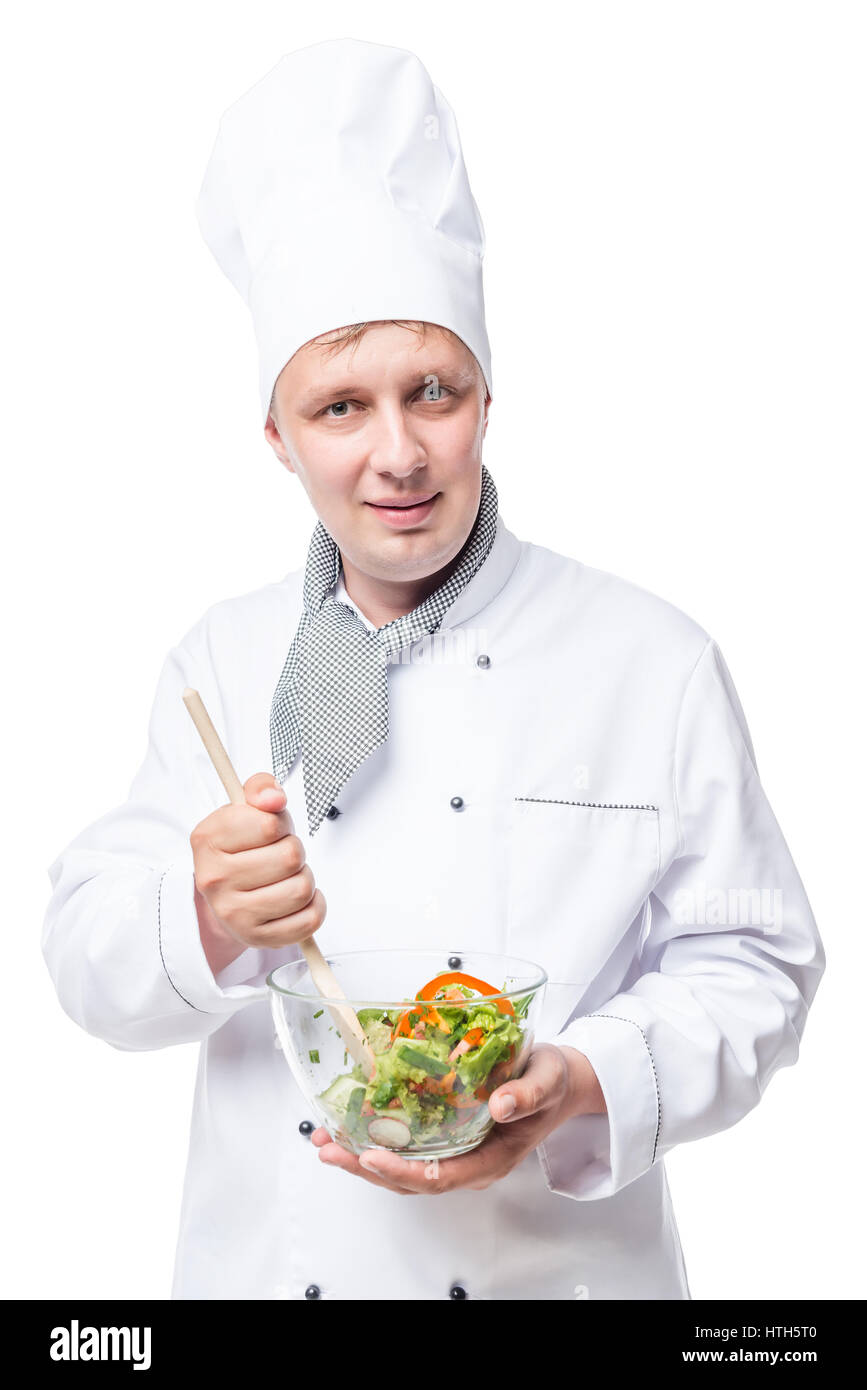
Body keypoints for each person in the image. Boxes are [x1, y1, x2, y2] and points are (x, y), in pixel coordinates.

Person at [42, 38, 825, 1301]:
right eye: (340, 408)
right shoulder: (223, 664)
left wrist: (590, 1078)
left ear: (487, 395)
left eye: (433, 391)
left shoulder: (650, 659)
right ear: (277, 440)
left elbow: (759, 964)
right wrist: (199, 910)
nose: (398, 453)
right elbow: (86, 959)